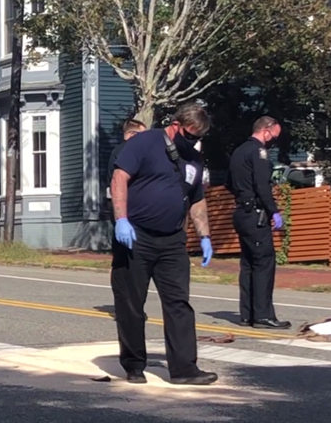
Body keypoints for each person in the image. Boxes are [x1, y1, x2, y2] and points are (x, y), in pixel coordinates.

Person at [110, 103, 219, 386]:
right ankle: (134, 364)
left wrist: (205, 236)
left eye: (198, 138)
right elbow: (119, 177)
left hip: (172, 240)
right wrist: (121, 219)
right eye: (190, 135)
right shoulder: (145, 142)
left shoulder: (193, 161)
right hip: (136, 236)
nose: (193, 141)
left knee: (178, 304)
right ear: (176, 124)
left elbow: (196, 200)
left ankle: (184, 369)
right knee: (132, 303)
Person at [226, 116, 292, 330]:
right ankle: (263, 315)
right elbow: (263, 186)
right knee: (264, 263)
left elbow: (228, 183)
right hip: (256, 214)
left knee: (247, 264)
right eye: (274, 136)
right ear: (266, 130)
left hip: (241, 212)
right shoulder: (259, 153)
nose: (274, 141)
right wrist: (273, 212)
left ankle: (247, 314)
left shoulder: (238, 151)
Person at [108, 119, 148, 200]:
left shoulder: (116, 151)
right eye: (143, 135)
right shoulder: (130, 150)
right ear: (132, 134)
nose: (146, 139)